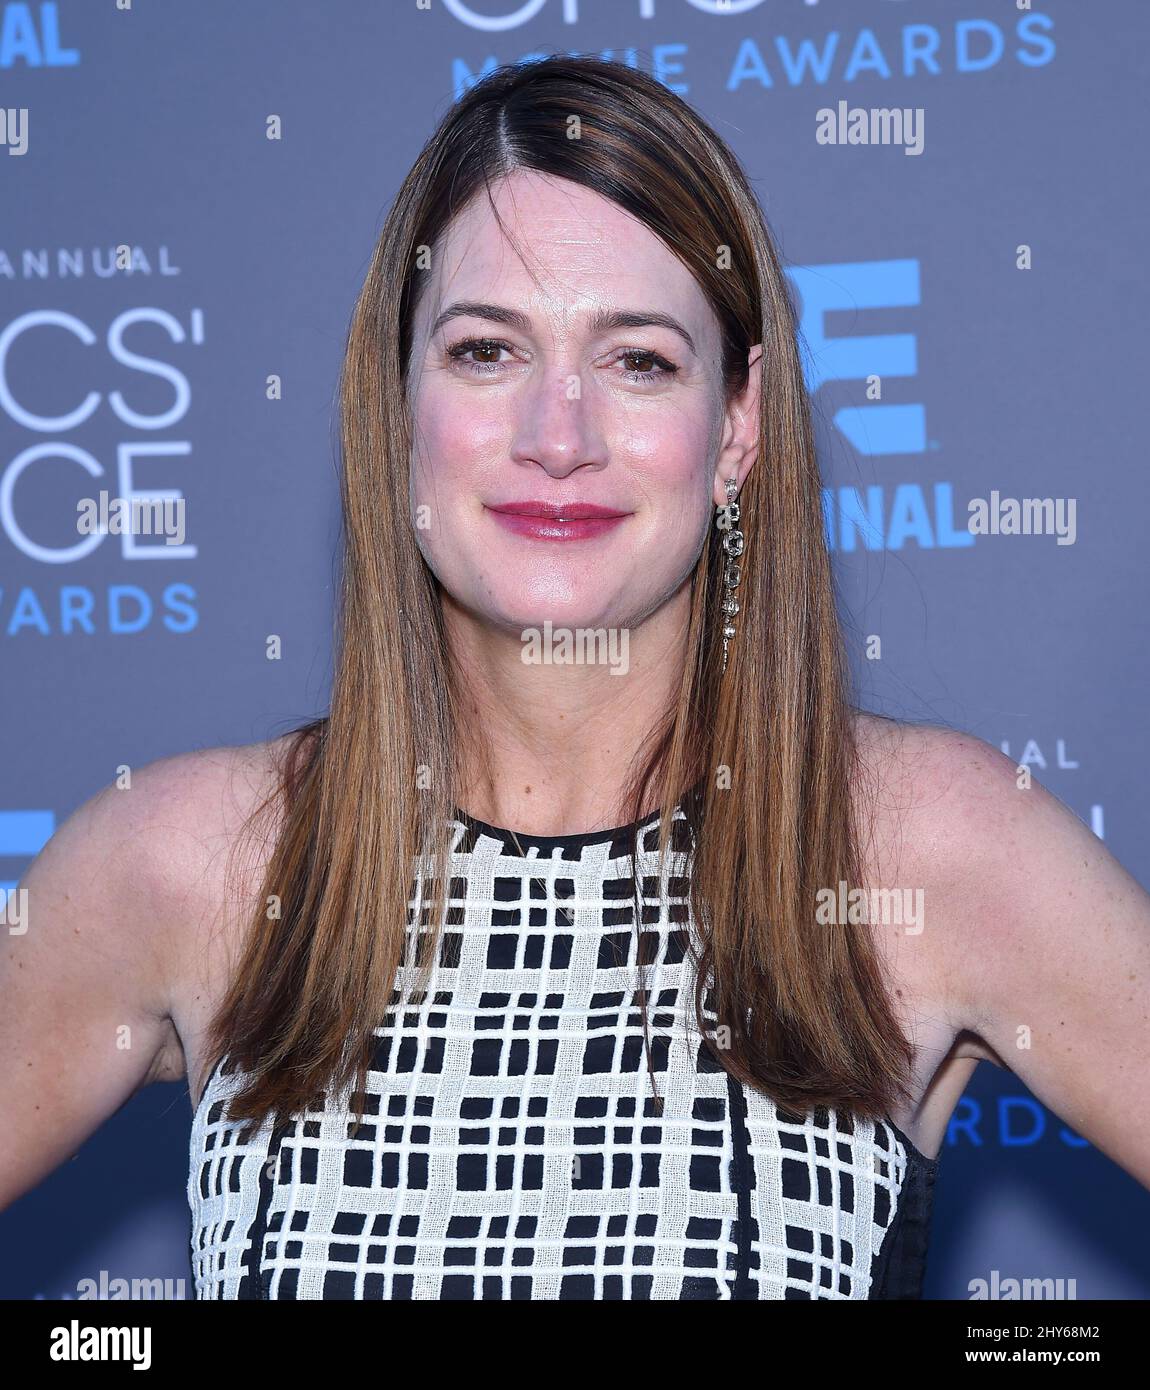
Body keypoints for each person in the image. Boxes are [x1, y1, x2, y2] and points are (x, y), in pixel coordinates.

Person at [3, 55, 1148, 1301]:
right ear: (396, 409)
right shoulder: (196, 861)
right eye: (487, 351)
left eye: (640, 361)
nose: (559, 434)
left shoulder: (918, 853)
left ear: (739, 425)